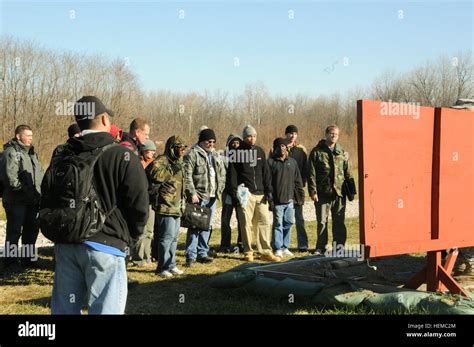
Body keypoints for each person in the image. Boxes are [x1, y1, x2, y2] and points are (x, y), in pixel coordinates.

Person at [49, 96, 149, 314]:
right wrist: (131, 236)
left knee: (64, 311)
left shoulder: (62, 154)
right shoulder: (122, 154)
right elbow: (139, 204)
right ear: (104, 119)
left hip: (67, 243)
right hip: (106, 246)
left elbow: (48, 195)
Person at [228, 125, 281, 262]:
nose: (252, 139)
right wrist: (235, 194)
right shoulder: (236, 153)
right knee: (246, 224)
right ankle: (248, 251)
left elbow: (266, 173)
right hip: (246, 194)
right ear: (244, 137)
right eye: (249, 136)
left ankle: (265, 251)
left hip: (261, 194)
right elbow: (232, 175)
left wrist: (268, 190)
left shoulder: (259, 151)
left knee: (264, 222)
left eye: (254, 136)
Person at [1, 124, 44, 271]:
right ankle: (10, 263)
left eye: (32, 136)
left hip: (33, 200)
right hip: (15, 201)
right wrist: (26, 191)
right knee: (14, 232)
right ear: (18, 136)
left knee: (31, 232)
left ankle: (28, 261)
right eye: (28, 136)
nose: (31, 139)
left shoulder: (32, 153)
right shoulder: (11, 152)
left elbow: (38, 174)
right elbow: (10, 179)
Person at [308, 124, 353, 255]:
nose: (334, 136)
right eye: (332, 133)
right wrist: (313, 191)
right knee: (322, 222)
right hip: (323, 193)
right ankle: (321, 247)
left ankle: (339, 247)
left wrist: (350, 190)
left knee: (339, 222)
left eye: (336, 134)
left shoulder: (342, 152)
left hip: (339, 193)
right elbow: (311, 174)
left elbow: (348, 173)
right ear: (326, 134)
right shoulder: (317, 152)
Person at [183, 128, 226, 267]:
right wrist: (192, 193)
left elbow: (222, 173)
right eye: (209, 141)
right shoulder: (192, 154)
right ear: (202, 141)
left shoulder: (215, 155)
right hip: (198, 196)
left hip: (212, 195)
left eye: (213, 141)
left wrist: (220, 189)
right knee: (195, 225)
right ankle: (191, 255)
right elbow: (187, 175)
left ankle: (203, 253)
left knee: (207, 226)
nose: (211, 144)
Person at [147, 136, 187, 278]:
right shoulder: (162, 160)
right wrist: (171, 170)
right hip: (165, 205)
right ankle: (161, 267)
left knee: (174, 238)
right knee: (166, 238)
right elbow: (154, 175)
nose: (182, 151)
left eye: (183, 148)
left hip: (177, 206)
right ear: (172, 148)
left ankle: (171, 265)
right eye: (179, 147)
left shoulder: (179, 162)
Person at [268, 137, 304, 258]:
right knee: (278, 224)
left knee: (288, 223)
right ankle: (277, 247)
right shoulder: (271, 163)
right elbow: (268, 183)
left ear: (286, 148)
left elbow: (298, 180)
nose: (281, 148)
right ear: (275, 149)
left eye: (283, 146)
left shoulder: (292, 162)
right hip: (277, 200)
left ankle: (285, 247)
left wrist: (300, 196)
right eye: (279, 146)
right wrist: (270, 200)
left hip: (290, 200)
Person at [130, 139, 157, 267]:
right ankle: (138, 258)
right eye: (149, 150)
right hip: (140, 200)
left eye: (153, 151)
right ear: (143, 151)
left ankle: (147, 256)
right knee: (141, 230)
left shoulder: (155, 164)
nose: (152, 153)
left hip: (151, 201)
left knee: (150, 231)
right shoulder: (137, 163)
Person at [284, 125, 309, 252]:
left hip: (297, 189)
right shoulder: (279, 148)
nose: (293, 136)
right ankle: (281, 245)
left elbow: (305, 168)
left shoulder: (301, 150)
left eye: (295, 133)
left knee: (299, 218)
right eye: (290, 133)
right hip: (283, 188)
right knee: (283, 218)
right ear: (286, 134)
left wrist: (302, 184)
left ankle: (303, 245)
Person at [220, 134, 244, 253]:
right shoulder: (223, 157)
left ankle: (241, 243)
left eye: (237, 143)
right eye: (232, 143)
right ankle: (225, 244)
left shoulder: (244, 157)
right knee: (225, 220)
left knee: (241, 220)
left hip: (240, 193)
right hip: (227, 193)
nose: (235, 145)